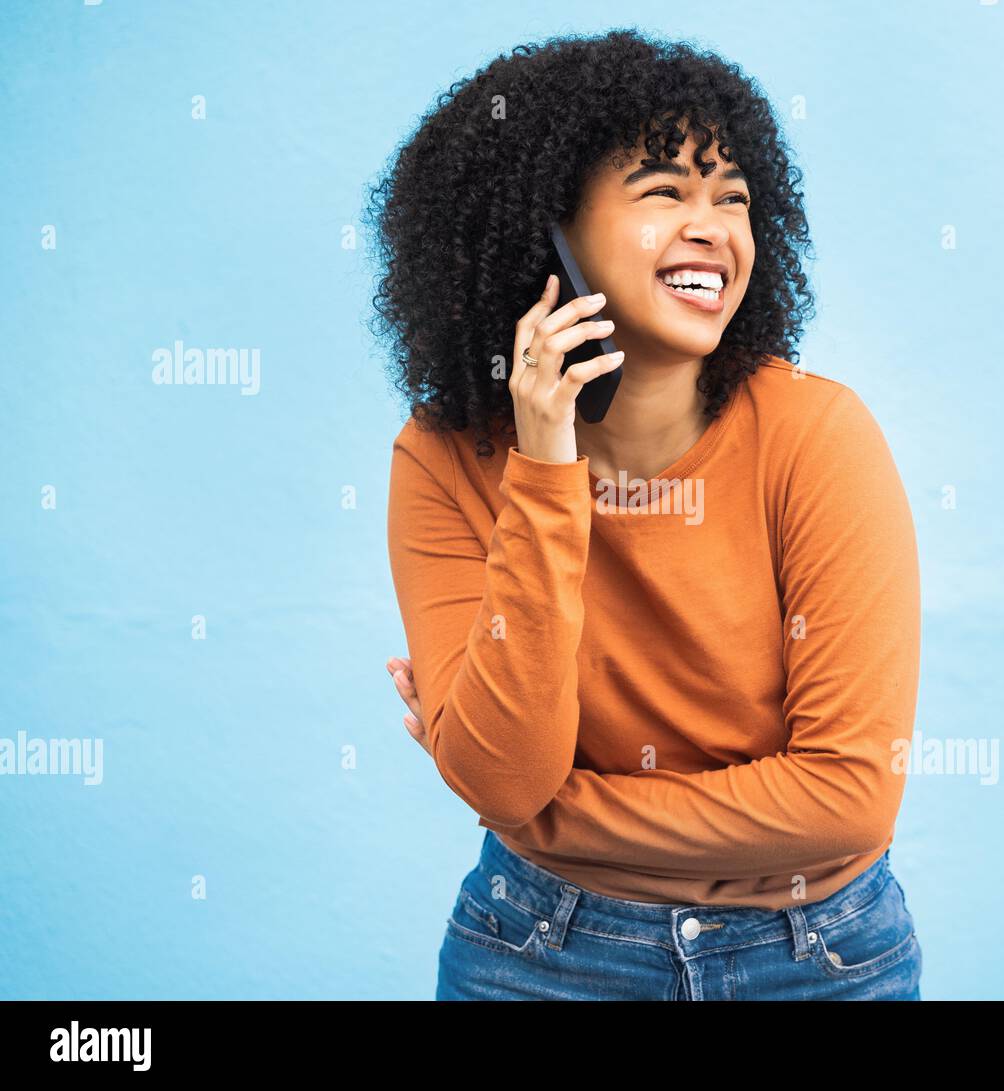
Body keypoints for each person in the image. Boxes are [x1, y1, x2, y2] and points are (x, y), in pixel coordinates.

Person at [370, 28, 923, 1000]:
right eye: (665, 191)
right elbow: (508, 775)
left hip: (817, 954)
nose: (714, 227)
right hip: (538, 951)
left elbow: (845, 797)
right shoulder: (445, 453)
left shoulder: (814, 434)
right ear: (544, 230)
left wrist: (550, 816)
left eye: (734, 199)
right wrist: (545, 465)